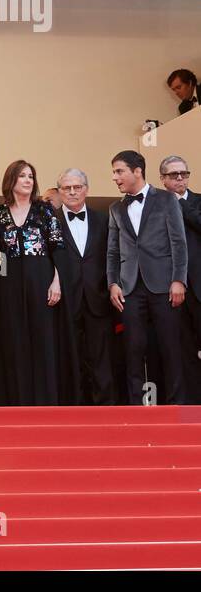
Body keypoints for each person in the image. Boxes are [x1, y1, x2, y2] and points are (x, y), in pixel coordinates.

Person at [108, 149, 189, 405]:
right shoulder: (115, 208)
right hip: (130, 289)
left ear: (137, 171)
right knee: (133, 350)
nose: (115, 178)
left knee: (170, 349)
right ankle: (137, 408)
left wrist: (179, 280)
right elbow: (112, 250)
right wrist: (113, 283)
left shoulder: (166, 200)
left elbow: (179, 243)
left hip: (164, 286)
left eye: (119, 171)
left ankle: (176, 407)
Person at [0, 160, 65, 406]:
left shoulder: (44, 210)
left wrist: (57, 282)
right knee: (13, 339)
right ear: (11, 180)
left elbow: (58, 248)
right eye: (22, 176)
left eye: (31, 176)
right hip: (8, 281)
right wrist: (0, 285)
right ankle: (17, 402)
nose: (28, 180)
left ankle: (45, 403)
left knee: (42, 339)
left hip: (41, 277)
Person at [53, 168, 118, 405]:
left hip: (98, 297)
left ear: (86, 189)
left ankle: (106, 411)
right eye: (66, 188)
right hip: (65, 300)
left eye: (77, 187)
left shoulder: (104, 219)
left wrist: (112, 286)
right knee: (70, 358)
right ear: (59, 191)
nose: (72, 192)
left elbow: (113, 256)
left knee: (102, 359)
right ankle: (73, 410)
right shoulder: (50, 221)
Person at [159, 155, 201, 402]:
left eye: (183, 174)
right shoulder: (155, 205)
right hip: (170, 286)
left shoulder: (197, 201)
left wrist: (179, 204)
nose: (179, 179)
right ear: (163, 179)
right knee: (182, 348)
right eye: (173, 175)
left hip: (199, 283)